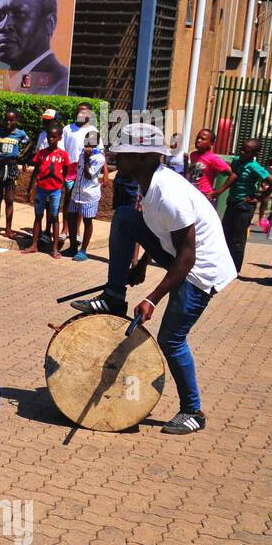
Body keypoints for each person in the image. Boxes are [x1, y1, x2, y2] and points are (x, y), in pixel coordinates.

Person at [71, 123, 238, 435]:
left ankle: (193, 411)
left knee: (171, 340)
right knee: (123, 217)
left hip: (200, 270)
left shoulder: (167, 192)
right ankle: (113, 296)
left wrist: (151, 298)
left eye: (125, 153)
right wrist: (144, 263)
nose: (117, 157)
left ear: (146, 157)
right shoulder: (149, 184)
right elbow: (162, 233)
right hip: (181, 256)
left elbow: (187, 257)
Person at [0, 0, 69, 94]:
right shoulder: (2, 85)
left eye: (19, 14)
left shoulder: (59, 85)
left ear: (49, 23)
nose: (4, 26)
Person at [222, 138, 272, 271]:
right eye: (241, 148)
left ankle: (234, 268)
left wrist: (259, 198)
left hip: (244, 206)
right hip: (232, 203)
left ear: (254, 154)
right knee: (225, 235)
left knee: (238, 239)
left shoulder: (254, 167)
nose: (241, 152)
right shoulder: (236, 161)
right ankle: (223, 264)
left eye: (245, 151)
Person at [23, 122, 70, 258]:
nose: (51, 139)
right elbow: (37, 169)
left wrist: (61, 184)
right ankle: (34, 244)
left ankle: (54, 248)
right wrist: (31, 186)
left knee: (54, 217)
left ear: (59, 138)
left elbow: (65, 170)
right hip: (41, 189)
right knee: (38, 216)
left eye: (54, 137)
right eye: (49, 137)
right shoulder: (41, 154)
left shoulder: (63, 155)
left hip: (55, 190)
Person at [60, 103, 95, 255]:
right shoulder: (67, 129)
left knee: (80, 204)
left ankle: (77, 230)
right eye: (79, 111)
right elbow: (61, 149)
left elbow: (97, 151)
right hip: (69, 171)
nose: (82, 114)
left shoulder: (93, 131)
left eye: (85, 112)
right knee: (67, 201)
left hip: (84, 173)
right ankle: (64, 228)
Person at [0, 108, 25, 237]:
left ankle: (8, 228)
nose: (8, 122)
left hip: (11, 167)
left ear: (16, 120)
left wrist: (22, 156)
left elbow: (29, 143)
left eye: (11, 120)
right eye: (7, 119)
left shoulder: (20, 134)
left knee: (9, 199)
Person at [69, 130, 103, 261]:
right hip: (76, 192)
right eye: (86, 142)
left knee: (87, 221)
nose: (88, 145)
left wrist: (88, 159)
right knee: (71, 217)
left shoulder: (99, 158)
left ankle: (83, 250)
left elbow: (89, 175)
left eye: (91, 143)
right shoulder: (82, 153)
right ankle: (72, 246)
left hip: (89, 195)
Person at [185, 128, 235, 203]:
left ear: (211, 143)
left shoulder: (213, 158)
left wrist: (216, 193)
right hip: (192, 192)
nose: (199, 140)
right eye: (198, 138)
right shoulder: (193, 154)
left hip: (204, 195)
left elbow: (232, 175)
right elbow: (190, 171)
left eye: (203, 139)